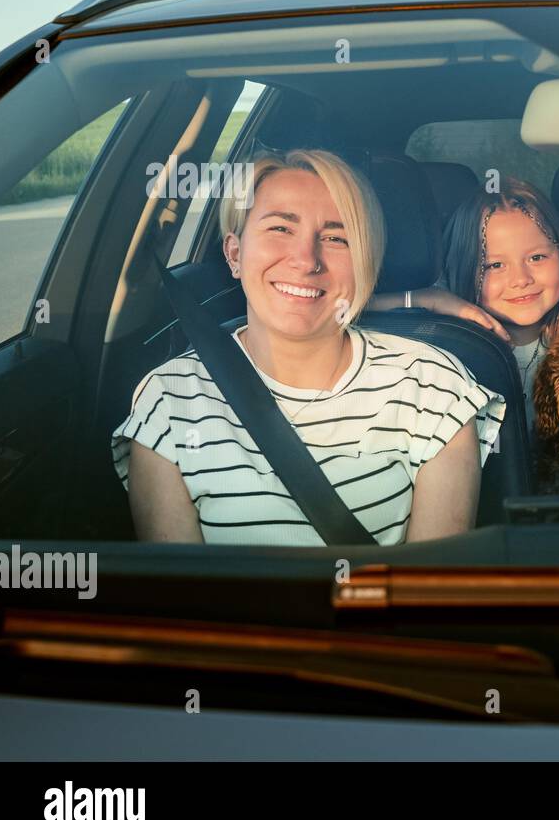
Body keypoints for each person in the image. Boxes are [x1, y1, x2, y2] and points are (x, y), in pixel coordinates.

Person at [113, 149, 505, 544]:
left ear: (365, 262)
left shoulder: (432, 386)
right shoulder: (169, 399)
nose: (306, 260)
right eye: (281, 229)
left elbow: (423, 594)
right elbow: (179, 597)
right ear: (234, 253)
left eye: (336, 237)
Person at [369, 177, 559, 431]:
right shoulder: (439, 342)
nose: (521, 279)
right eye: (494, 265)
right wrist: (430, 299)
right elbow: (348, 311)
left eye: (537, 257)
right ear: (464, 268)